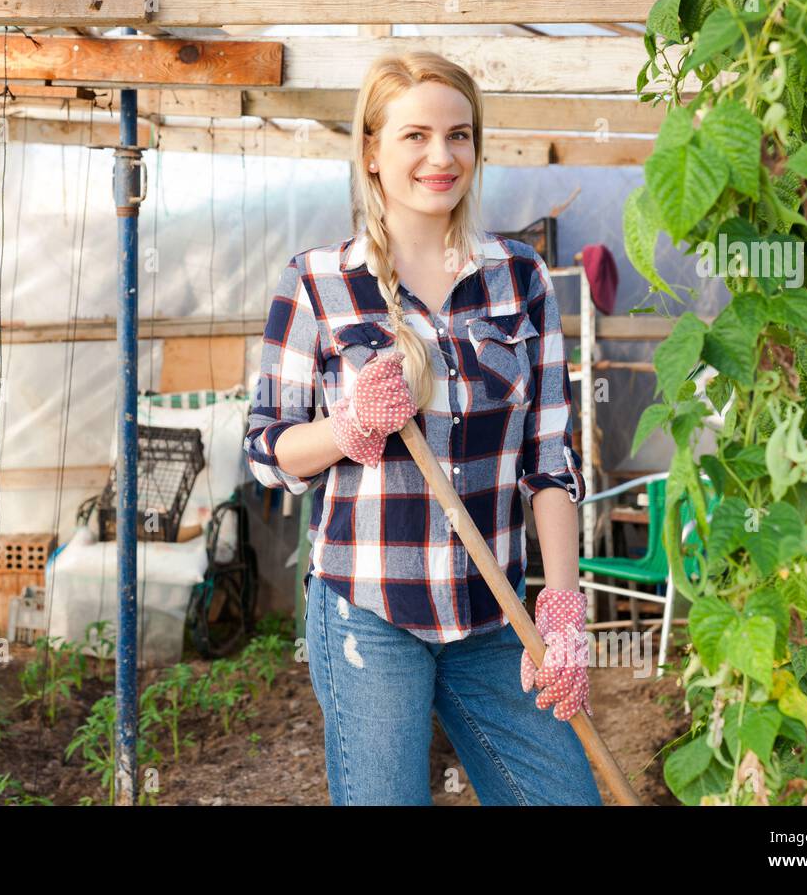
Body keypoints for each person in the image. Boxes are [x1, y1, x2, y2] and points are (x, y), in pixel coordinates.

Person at [243, 51, 602, 806]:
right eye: (415, 136)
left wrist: (562, 604)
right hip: (368, 614)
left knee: (564, 797)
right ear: (371, 151)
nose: (442, 157)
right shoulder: (318, 282)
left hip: (492, 611)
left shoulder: (520, 278)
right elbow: (266, 450)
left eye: (459, 135)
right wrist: (346, 427)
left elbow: (549, 458)